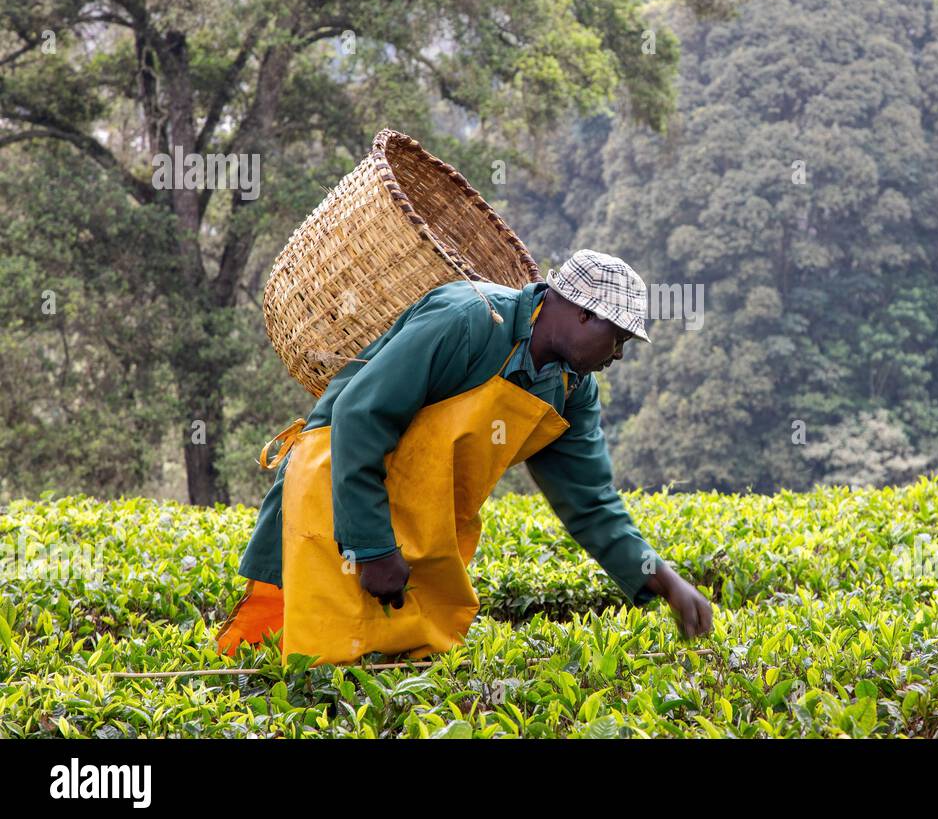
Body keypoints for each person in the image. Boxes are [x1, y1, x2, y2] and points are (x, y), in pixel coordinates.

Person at [216, 249, 712, 664]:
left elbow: (591, 503)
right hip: (338, 495)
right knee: (292, 660)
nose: (618, 354)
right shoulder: (468, 319)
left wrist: (662, 579)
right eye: (618, 337)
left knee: (401, 666)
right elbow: (360, 416)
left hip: (422, 519)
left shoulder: (572, 390)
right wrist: (370, 547)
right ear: (583, 313)